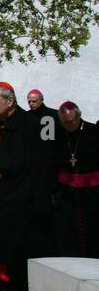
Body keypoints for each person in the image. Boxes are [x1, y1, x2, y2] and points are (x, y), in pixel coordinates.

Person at [0, 82, 52, 291]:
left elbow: (36, 163)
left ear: (10, 101)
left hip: (17, 199)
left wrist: (6, 171)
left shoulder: (29, 125)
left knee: (10, 248)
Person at [52, 101, 99, 257]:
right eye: (64, 122)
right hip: (66, 193)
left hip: (92, 192)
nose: (68, 125)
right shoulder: (58, 134)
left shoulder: (94, 132)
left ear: (79, 116)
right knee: (69, 232)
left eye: (71, 122)